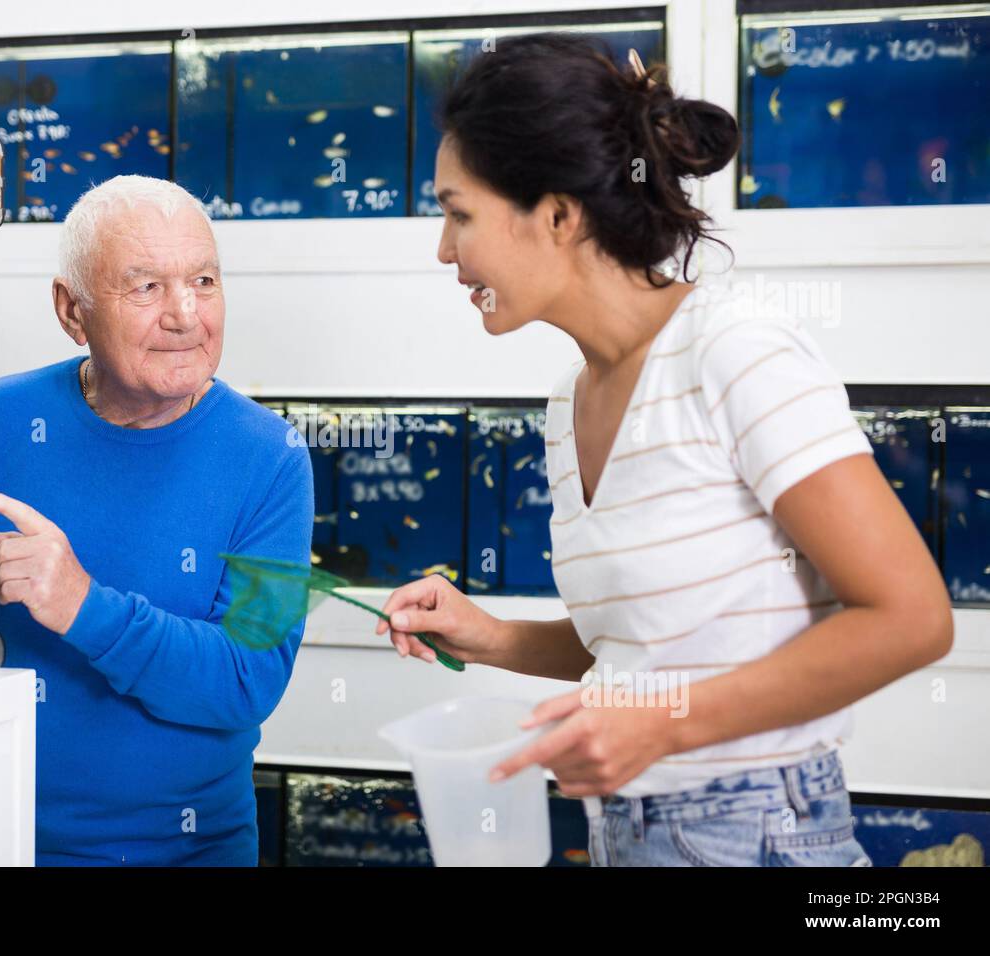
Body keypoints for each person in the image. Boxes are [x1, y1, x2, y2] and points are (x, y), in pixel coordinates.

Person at [376, 35, 952, 866]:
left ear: (559, 216)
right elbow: (647, 644)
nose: (443, 248)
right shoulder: (568, 401)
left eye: (458, 213)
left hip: (760, 834)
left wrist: (664, 721)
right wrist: (495, 637)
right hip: (630, 835)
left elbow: (912, 618)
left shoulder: (735, 352)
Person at [0, 175, 313, 865]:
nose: (185, 315)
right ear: (71, 311)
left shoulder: (270, 457)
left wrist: (82, 605)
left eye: (203, 280)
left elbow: (248, 678)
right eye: (147, 287)